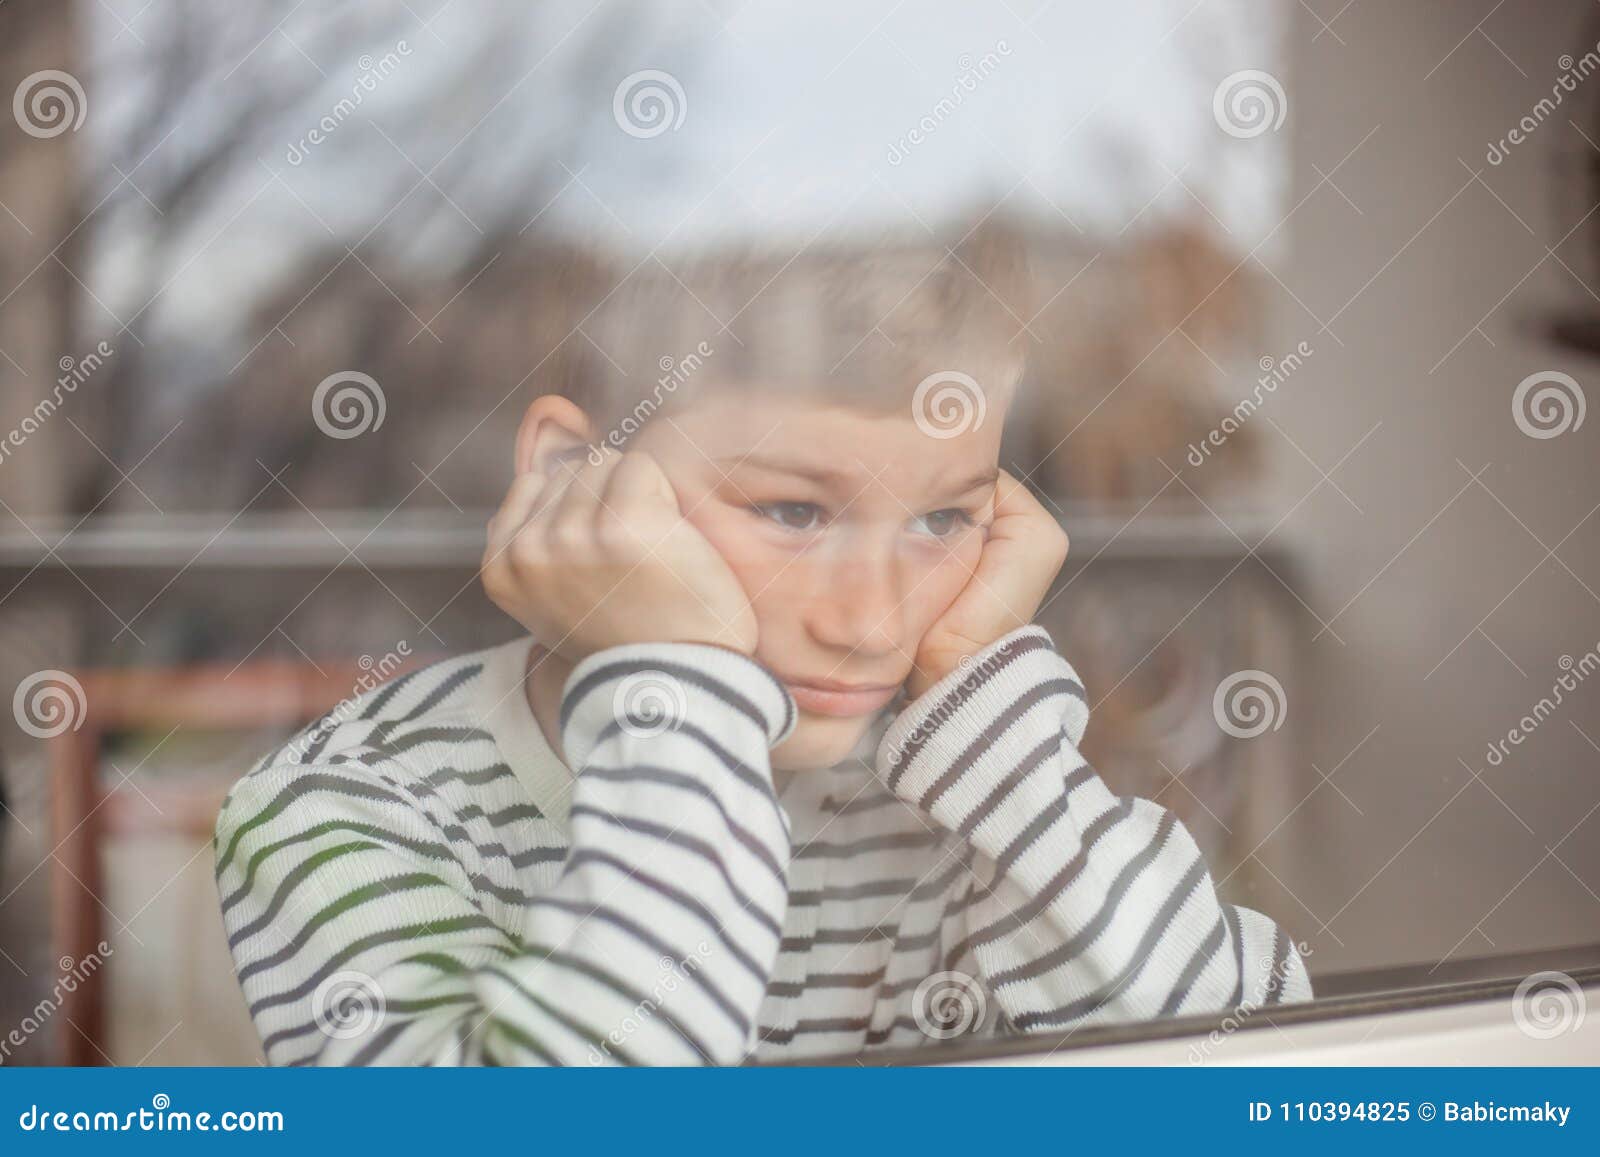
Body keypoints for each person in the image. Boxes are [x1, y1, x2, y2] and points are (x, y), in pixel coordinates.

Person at [212, 233, 1312, 1065]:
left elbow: (1258, 1075)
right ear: (570, 476)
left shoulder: (962, 787)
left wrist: (997, 726)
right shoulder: (349, 808)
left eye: (942, 519)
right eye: (791, 511)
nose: (873, 624)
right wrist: (678, 689)